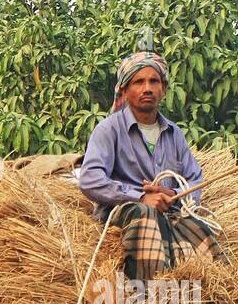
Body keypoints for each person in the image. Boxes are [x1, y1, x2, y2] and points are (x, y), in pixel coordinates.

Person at [78, 49, 224, 280]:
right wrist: (140, 197)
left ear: (163, 89)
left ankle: (217, 294)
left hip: (168, 214)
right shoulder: (108, 130)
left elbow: (195, 179)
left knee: (198, 231)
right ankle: (146, 298)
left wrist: (173, 193)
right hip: (126, 214)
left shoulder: (174, 134)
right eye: (139, 82)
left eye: (154, 81)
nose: (147, 88)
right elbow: (89, 179)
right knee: (145, 214)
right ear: (124, 91)